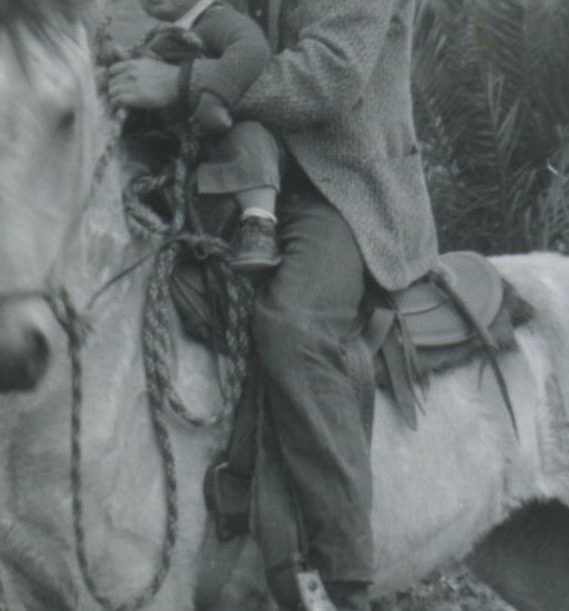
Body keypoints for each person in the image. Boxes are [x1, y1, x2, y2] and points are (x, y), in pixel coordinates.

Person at [108, 0, 439, 608]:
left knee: (294, 325)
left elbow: (328, 75)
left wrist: (180, 85)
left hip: (340, 192)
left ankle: (342, 578)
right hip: (242, 171)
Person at [124, 0, 284, 272]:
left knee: (249, 141)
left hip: (223, 131)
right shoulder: (162, 36)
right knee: (131, 151)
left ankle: (258, 224)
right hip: (183, 141)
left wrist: (216, 97)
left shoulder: (216, 18)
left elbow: (252, 48)